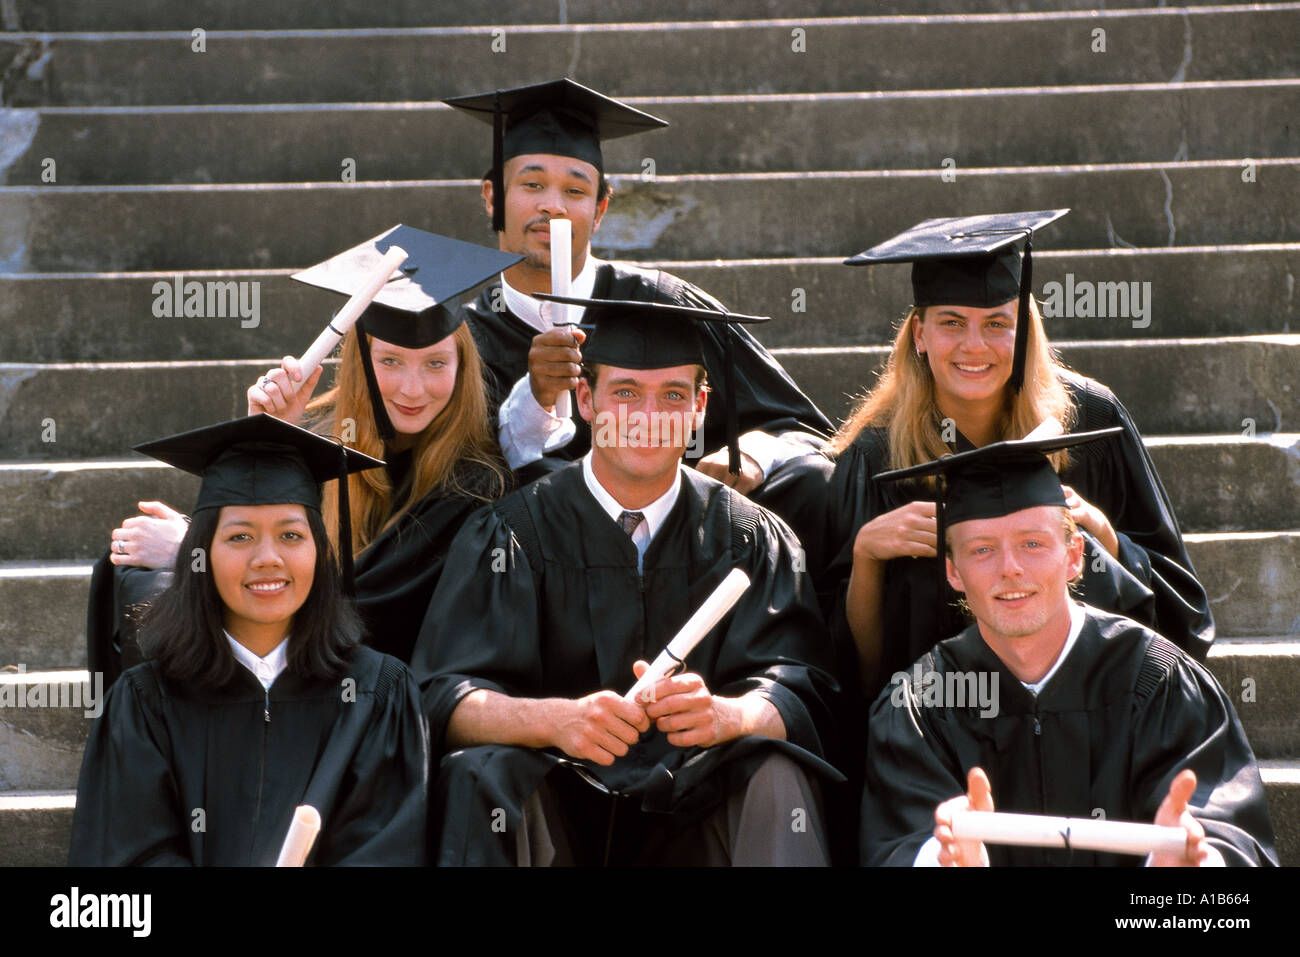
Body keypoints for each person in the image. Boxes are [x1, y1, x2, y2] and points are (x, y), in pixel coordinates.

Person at [411, 296, 842, 866]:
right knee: (478, 772)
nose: (647, 416)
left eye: (672, 396)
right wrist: (554, 721)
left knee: (774, 768)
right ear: (586, 399)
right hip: (556, 806)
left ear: (700, 406)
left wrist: (729, 715)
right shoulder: (512, 534)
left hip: (696, 808)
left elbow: (801, 687)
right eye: (625, 392)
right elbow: (444, 694)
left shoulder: (750, 538)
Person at [442, 78, 836, 570]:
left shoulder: (663, 303)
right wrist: (535, 399)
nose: (554, 206)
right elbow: (464, 484)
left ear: (601, 209)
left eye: (575, 190)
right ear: (491, 197)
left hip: (689, 553)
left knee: (807, 478)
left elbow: (802, 429)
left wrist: (750, 453)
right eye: (532, 184)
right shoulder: (464, 339)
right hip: (553, 577)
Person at [90, 227, 518, 674]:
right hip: (290, 633)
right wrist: (276, 435)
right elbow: (274, 538)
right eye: (389, 360)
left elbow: (365, 608)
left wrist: (193, 552)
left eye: (435, 363)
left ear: (462, 365)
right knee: (131, 571)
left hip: (371, 676)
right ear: (361, 364)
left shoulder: (474, 480)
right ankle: (148, 738)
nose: (413, 389)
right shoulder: (323, 433)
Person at [824, 209, 1213, 698]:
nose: (974, 345)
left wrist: (1107, 538)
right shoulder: (877, 454)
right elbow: (847, 666)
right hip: (945, 718)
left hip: (1091, 707)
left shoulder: (1091, 418)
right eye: (952, 322)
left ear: (1025, 329)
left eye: (995, 323)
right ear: (919, 335)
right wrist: (866, 555)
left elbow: (1181, 605)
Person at [859, 432, 1276, 867]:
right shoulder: (923, 702)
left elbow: (1227, 835)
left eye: (1032, 544)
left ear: (1075, 554)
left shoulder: (1158, 680)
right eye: (982, 550)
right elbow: (898, 846)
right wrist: (947, 859)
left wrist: (1185, 859)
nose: (1010, 569)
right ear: (953, 572)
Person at [69, 414, 429, 866]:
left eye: (291, 535)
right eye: (240, 536)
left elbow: (386, 850)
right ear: (200, 554)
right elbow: (128, 856)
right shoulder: (146, 703)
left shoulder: (377, 694)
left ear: (320, 550)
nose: (268, 558)